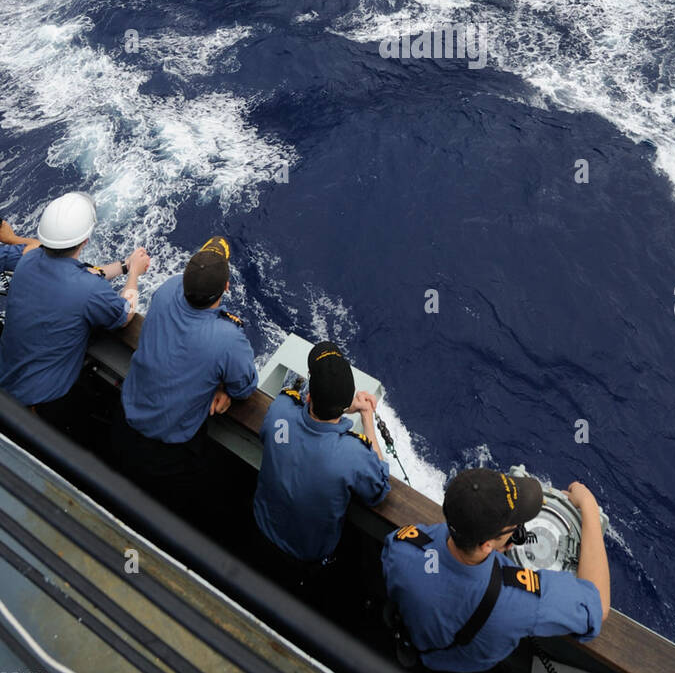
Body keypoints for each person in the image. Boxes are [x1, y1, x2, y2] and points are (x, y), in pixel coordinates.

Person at [381, 468, 609, 673]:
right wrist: (588, 505)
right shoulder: (518, 601)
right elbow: (597, 606)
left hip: (411, 637)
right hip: (467, 672)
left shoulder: (404, 545)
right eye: (514, 527)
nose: (519, 529)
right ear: (487, 545)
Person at [113, 237, 257, 511]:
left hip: (124, 421)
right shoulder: (227, 338)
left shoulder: (168, 288)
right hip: (167, 454)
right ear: (226, 287)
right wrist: (225, 387)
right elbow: (245, 387)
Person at [0, 192, 149, 431]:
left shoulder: (27, 261)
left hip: (7, 385)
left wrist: (123, 266)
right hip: (42, 405)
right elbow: (126, 314)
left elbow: (82, 274)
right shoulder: (89, 291)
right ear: (85, 240)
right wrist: (134, 274)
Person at [253, 340, 390, 589]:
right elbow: (379, 489)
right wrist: (366, 419)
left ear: (308, 394)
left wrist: (338, 407)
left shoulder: (281, 411)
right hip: (303, 561)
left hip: (259, 532)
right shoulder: (352, 454)